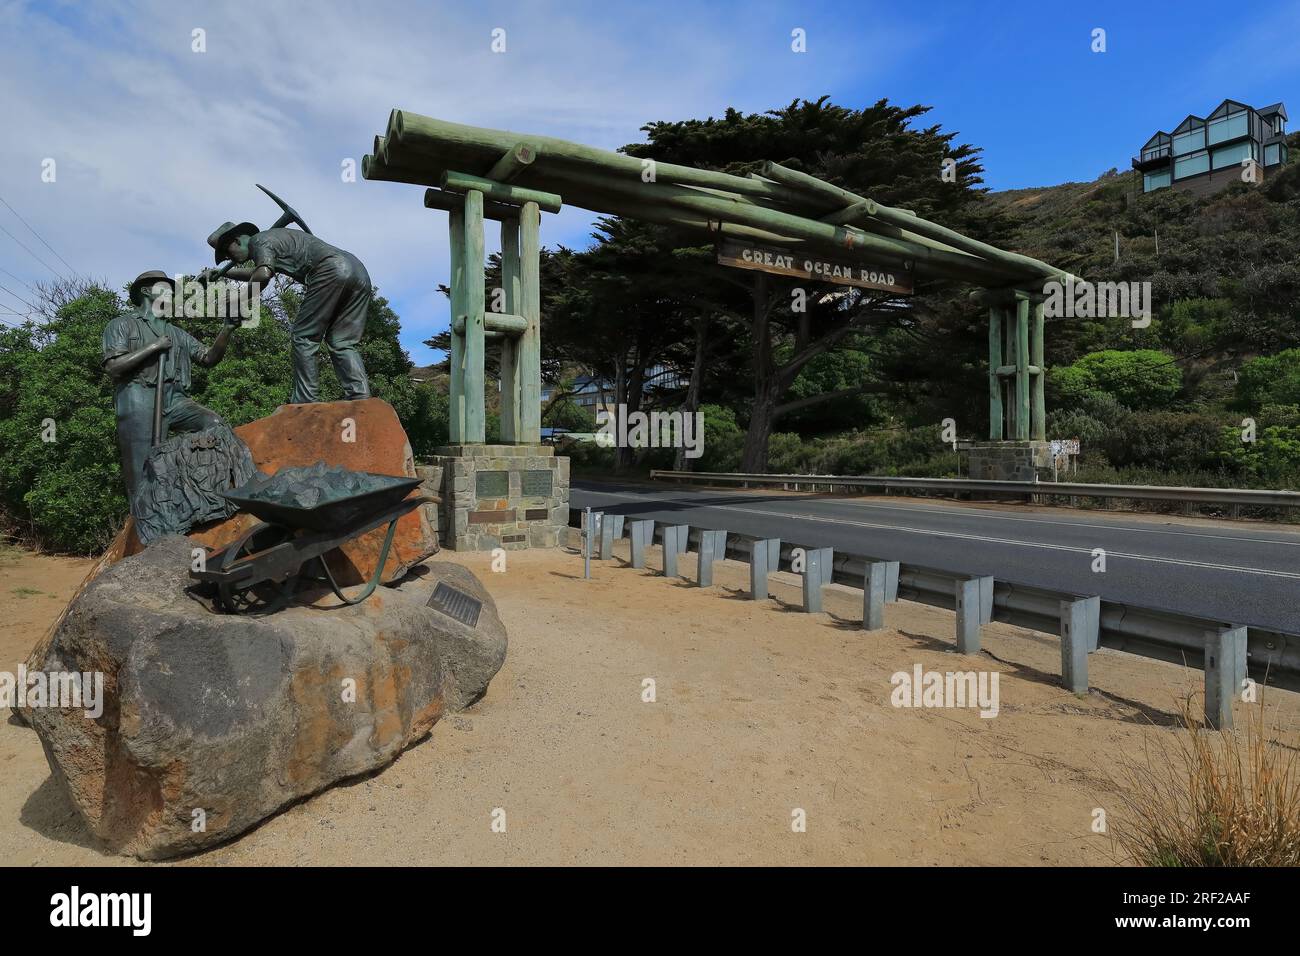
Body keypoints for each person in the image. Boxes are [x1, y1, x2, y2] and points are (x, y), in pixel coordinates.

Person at [102, 271, 236, 502]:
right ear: (146, 291)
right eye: (164, 287)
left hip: (175, 398)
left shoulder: (176, 332)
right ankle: (144, 522)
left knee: (213, 424)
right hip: (139, 395)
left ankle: (205, 488)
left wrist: (227, 329)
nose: (171, 292)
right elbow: (114, 367)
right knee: (142, 470)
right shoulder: (122, 325)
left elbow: (208, 358)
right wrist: (154, 347)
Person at [205, 221, 371, 404]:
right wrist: (224, 274)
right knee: (342, 341)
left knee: (303, 336)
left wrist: (240, 297)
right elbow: (259, 270)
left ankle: (305, 401)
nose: (231, 260)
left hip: (330, 271)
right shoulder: (272, 238)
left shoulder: (258, 241)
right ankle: (360, 396)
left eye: (228, 254)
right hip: (358, 272)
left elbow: (263, 274)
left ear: (236, 240)